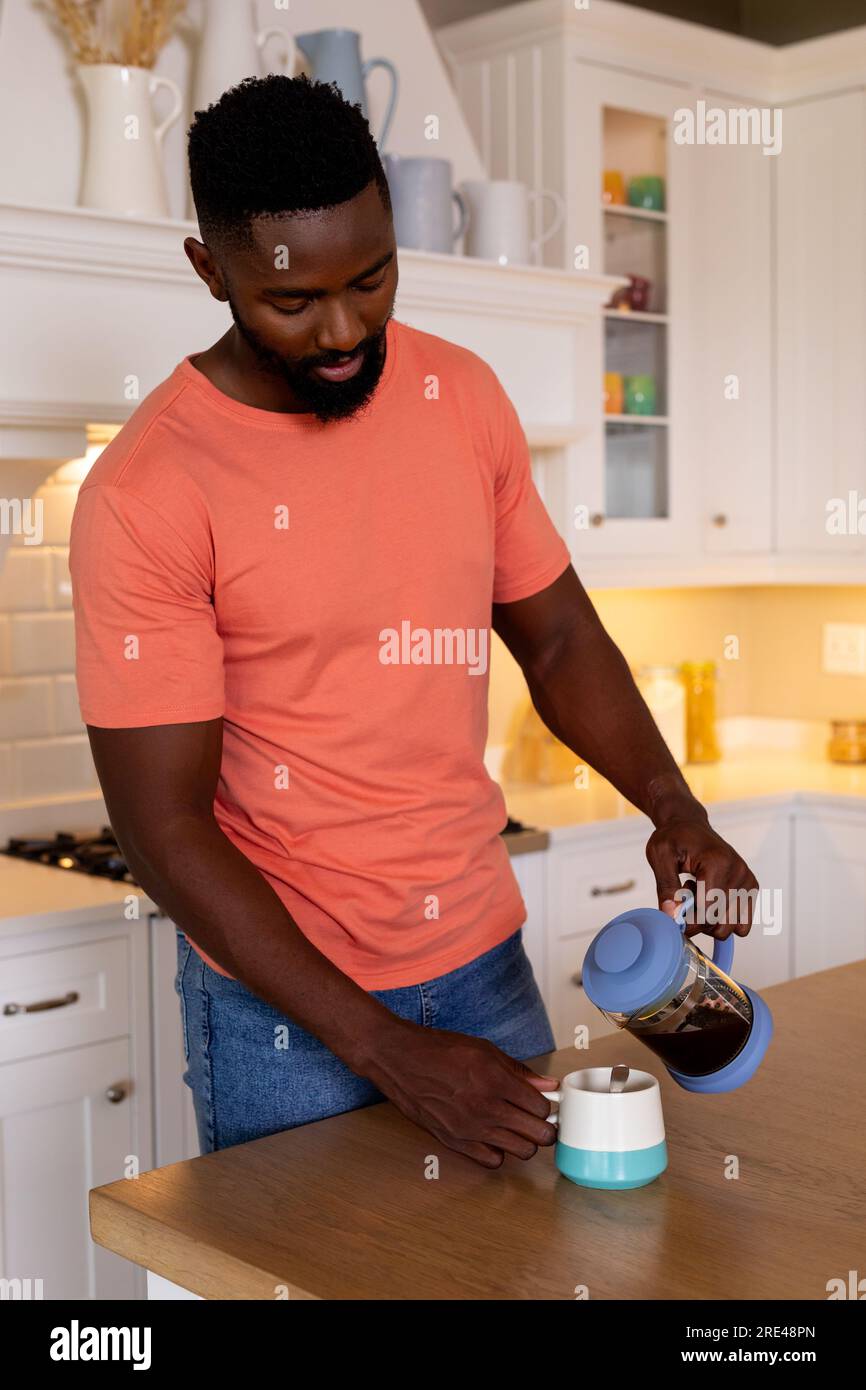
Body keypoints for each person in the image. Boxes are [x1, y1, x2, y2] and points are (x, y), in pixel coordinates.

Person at [69, 75, 757, 1167]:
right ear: (210, 271)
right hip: (283, 1014)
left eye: (373, 277)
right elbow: (165, 832)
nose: (345, 330)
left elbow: (560, 637)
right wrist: (387, 1050)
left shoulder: (462, 399)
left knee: (520, 1275)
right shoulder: (148, 492)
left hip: (482, 957)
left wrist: (673, 806)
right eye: (294, 303)